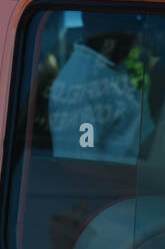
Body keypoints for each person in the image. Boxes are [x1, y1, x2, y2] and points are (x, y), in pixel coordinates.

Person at [49, 13, 143, 162]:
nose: (134, 48)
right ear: (108, 45)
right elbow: (80, 159)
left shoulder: (105, 70)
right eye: (129, 43)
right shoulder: (82, 83)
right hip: (105, 181)